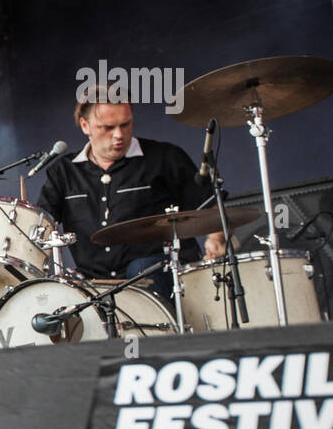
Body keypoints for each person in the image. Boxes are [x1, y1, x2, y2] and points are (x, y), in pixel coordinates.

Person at [37, 87, 226, 299]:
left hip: (159, 281)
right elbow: (42, 224)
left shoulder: (165, 157)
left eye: (125, 124)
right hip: (93, 288)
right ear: (85, 125)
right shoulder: (64, 171)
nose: (119, 135)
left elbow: (210, 207)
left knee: (144, 267)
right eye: (107, 127)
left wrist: (216, 238)